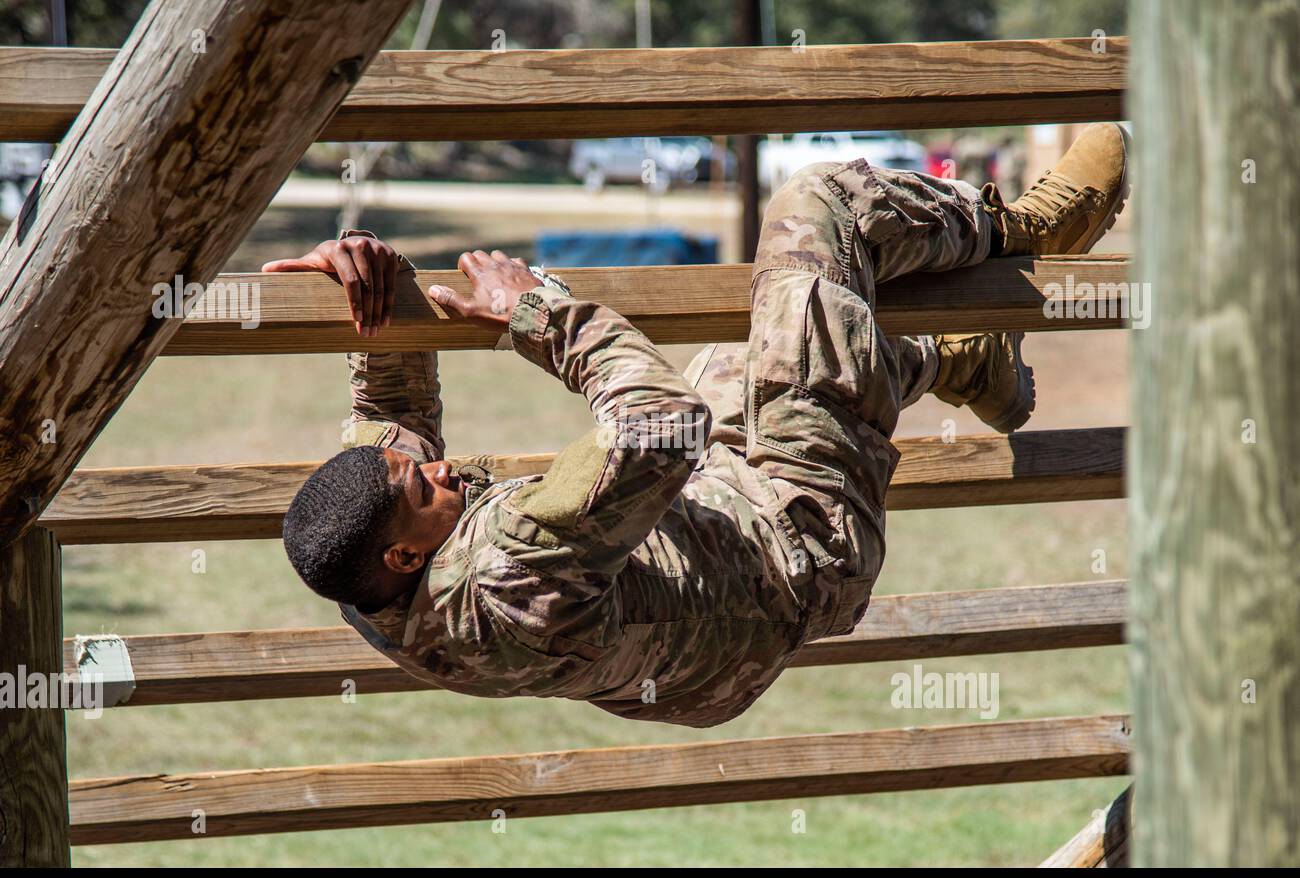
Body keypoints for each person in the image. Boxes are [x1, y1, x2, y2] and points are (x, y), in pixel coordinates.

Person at [270, 122, 1129, 728]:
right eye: (427, 488)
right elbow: (664, 426)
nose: (442, 471)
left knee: (794, 320)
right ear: (407, 555)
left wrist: (368, 270)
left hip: (711, 587)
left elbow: (390, 427)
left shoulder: (363, 572)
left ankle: (964, 363)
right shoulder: (511, 566)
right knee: (814, 210)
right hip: (797, 541)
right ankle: (1021, 229)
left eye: (424, 470)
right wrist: (535, 310)